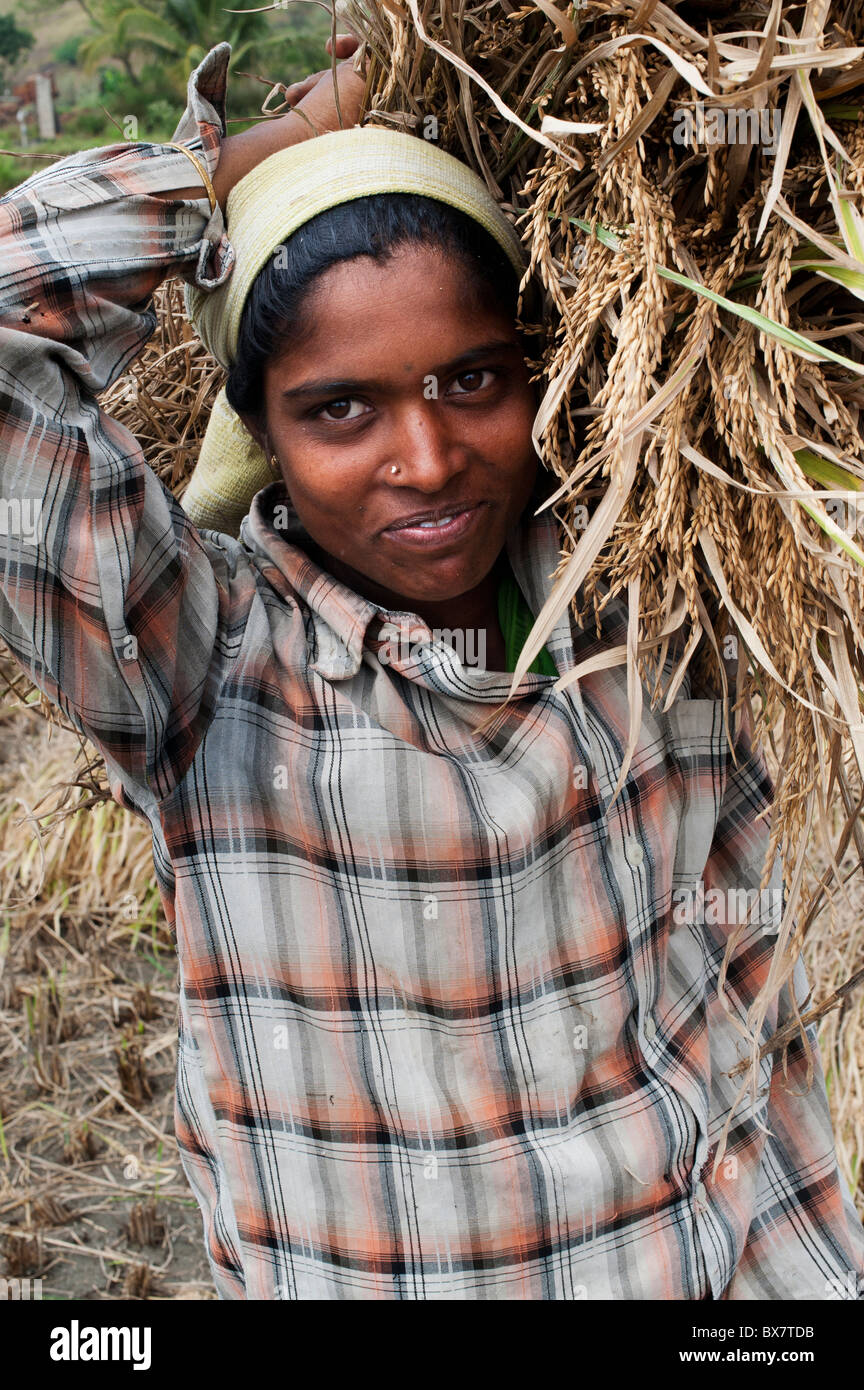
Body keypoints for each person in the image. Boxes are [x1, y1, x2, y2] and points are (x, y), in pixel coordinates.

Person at [0, 33, 862, 1303]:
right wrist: (267, 153)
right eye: (341, 407)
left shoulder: (664, 585)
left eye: (473, 379)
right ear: (261, 430)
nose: (427, 456)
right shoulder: (202, 660)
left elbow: (736, 1032)